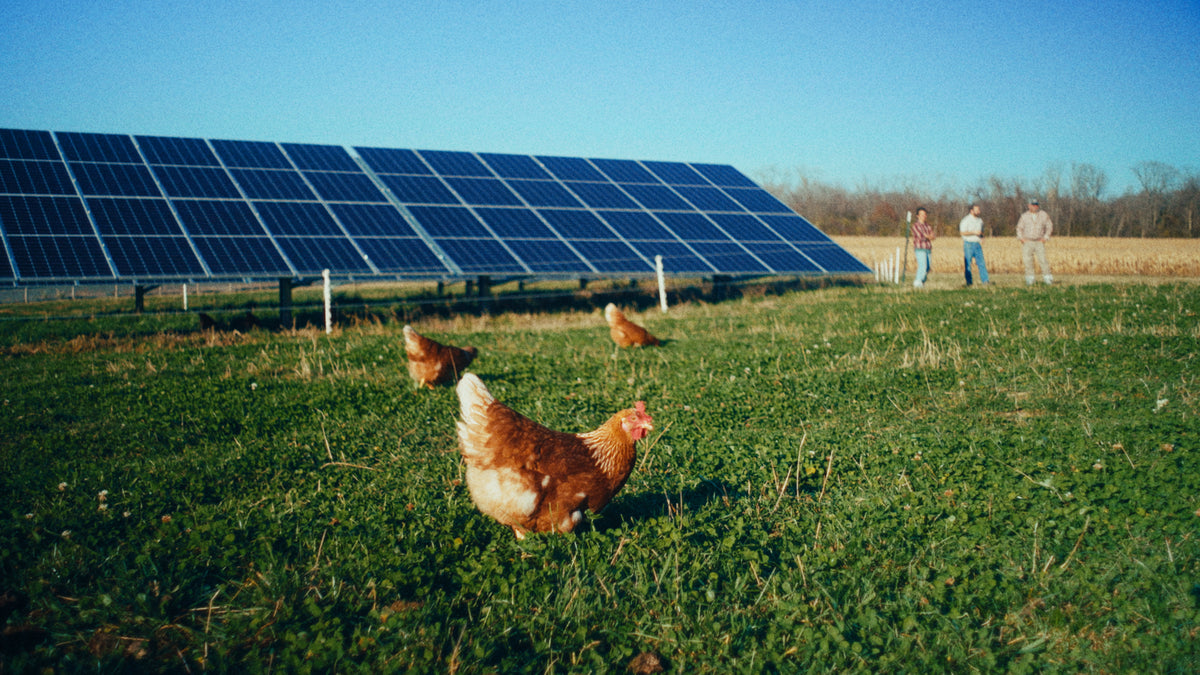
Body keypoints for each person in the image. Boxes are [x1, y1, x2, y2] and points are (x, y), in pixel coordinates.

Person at [1016, 198, 1053, 285]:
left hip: (1039, 241)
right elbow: (1019, 228)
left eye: (1036, 205)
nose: (1035, 206)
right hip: (1027, 242)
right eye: (1033, 205)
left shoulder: (1043, 215)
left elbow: (1049, 226)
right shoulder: (1024, 216)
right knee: (1028, 261)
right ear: (1029, 206)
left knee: (1043, 260)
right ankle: (1030, 280)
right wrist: (1021, 238)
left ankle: (1048, 279)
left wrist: (1045, 237)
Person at [959, 203, 989, 286]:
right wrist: (973, 232)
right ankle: (969, 282)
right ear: (971, 211)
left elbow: (981, 231)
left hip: (977, 244)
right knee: (968, 264)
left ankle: (985, 281)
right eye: (977, 210)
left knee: (981, 263)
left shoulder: (980, 221)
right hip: (968, 244)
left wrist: (982, 237)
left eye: (979, 210)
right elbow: (962, 232)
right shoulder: (966, 220)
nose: (979, 211)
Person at [911, 207, 934, 287]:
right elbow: (921, 236)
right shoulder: (915, 226)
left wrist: (928, 236)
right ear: (917, 216)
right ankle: (918, 282)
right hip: (920, 248)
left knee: (928, 267)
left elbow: (933, 236)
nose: (924, 216)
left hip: (928, 248)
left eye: (925, 214)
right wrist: (928, 236)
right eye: (922, 214)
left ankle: (922, 282)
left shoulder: (928, 226)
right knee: (922, 266)